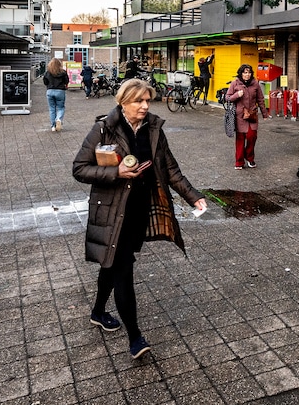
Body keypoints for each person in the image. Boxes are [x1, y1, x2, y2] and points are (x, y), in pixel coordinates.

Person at [72, 79, 209, 359]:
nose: (145, 106)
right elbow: (79, 168)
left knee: (112, 263)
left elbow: (171, 170)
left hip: (139, 209)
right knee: (123, 269)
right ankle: (135, 337)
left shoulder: (154, 129)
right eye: (138, 101)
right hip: (112, 212)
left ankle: (98, 311)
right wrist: (116, 173)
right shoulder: (104, 129)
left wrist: (193, 196)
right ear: (123, 102)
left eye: (148, 100)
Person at [226, 64, 264, 170]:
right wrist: (237, 95)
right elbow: (227, 98)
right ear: (241, 73)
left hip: (252, 114)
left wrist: (264, 113)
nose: (247, 74)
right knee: (240, 139)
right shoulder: (235, 83)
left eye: (249, 72)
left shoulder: (255, 84)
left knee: (252, 136)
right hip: (239, 116)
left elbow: (260, 99)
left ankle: (249, 157)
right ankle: (239, 162)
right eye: (245, 72)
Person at [44, 58, 68, 131]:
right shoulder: (63, 72)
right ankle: (58, 119)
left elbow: (45, 82)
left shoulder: (48, 72)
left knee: (52, 109)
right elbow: (66, 81)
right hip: (60, 91)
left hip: (50, 91)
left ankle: (53, 126)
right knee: (61, 108)